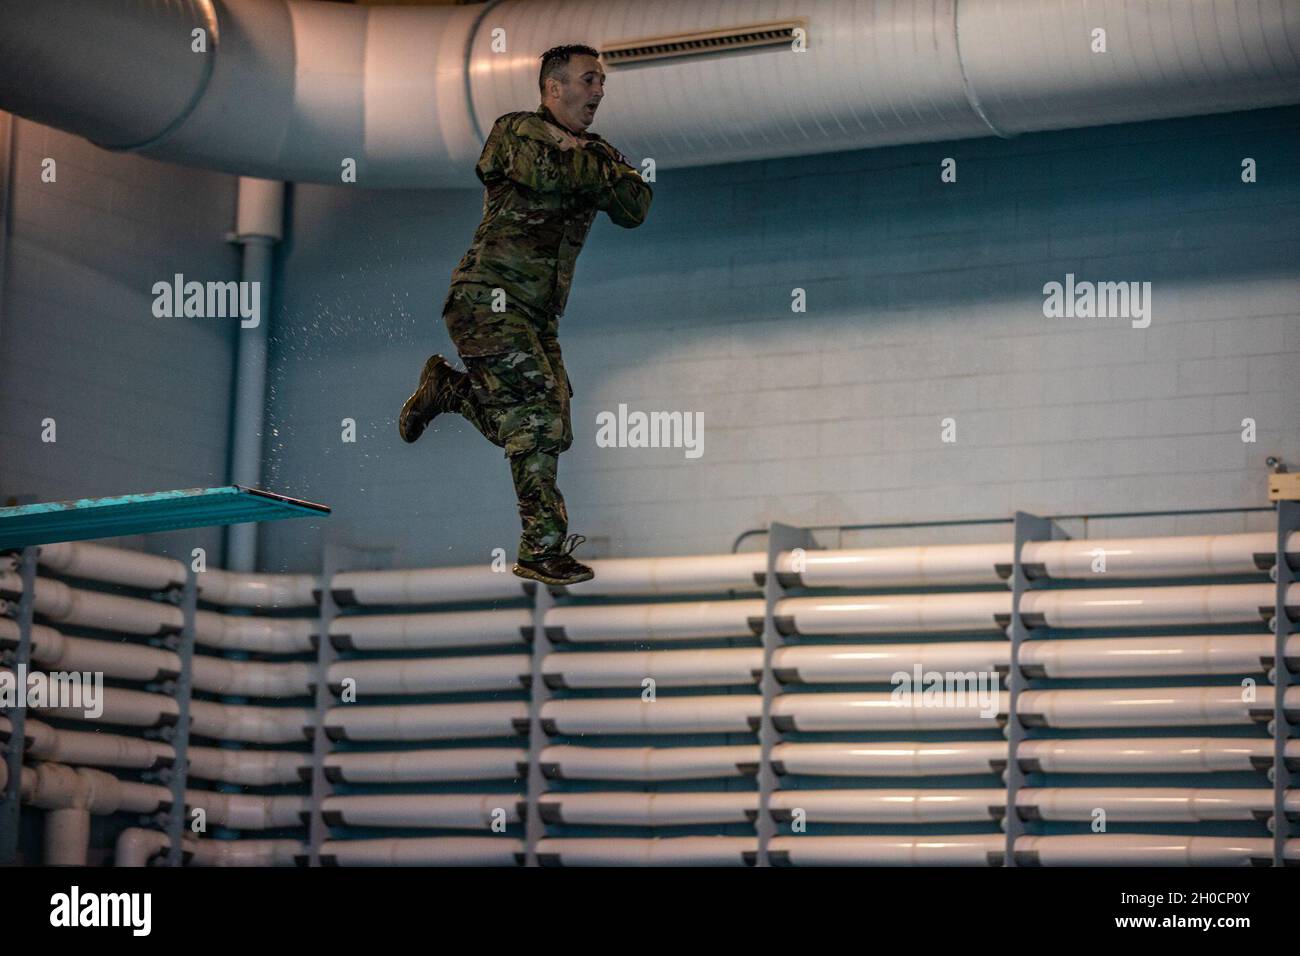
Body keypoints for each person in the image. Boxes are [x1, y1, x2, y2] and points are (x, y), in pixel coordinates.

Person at [398, 43, 652, 586]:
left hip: (537, 315)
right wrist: (598, 170)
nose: (599, 92)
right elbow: (545, 172)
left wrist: (589, 166)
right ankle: (541, 548)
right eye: (589, 81)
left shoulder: (594, 149)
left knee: (550, 422)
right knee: (535, 412)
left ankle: (449, 390)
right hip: (486, 297)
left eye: (602, 83)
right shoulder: (515, 130)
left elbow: (636, 207)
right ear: (553, 88)